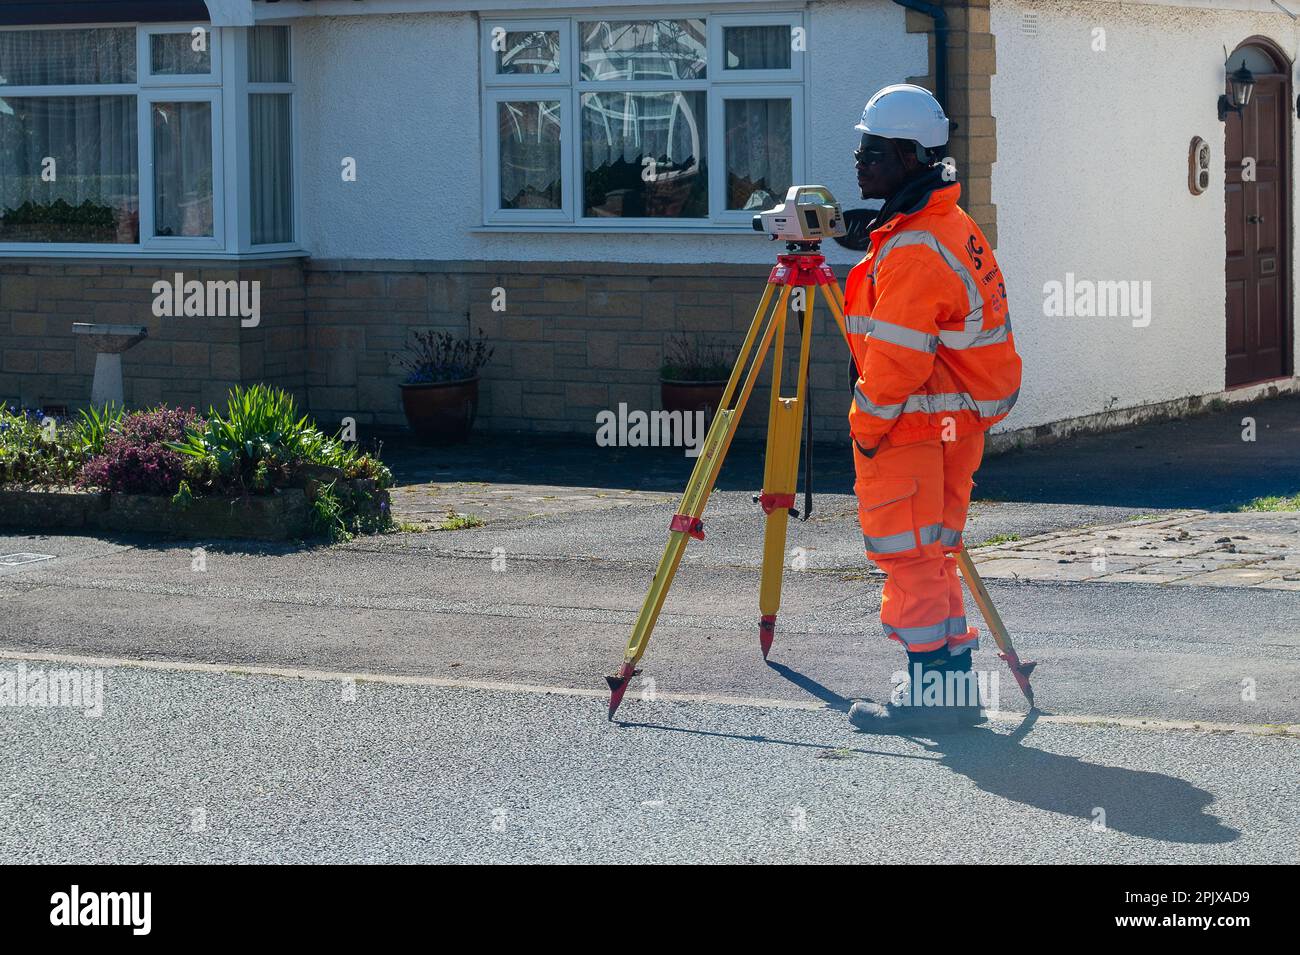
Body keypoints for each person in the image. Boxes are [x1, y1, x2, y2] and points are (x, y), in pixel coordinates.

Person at [836, 84, 1022, 732]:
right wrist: (877, 237)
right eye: (860, 150)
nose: (859, 162)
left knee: (910, 558)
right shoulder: (941, 223)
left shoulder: (915, 246)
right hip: (949, 420)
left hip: (911, 423)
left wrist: (864, 426)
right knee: (934, 553)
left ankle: (928, 701)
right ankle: (951, 692)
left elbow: (896, 360)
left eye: (873, 152)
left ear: (911, 157)